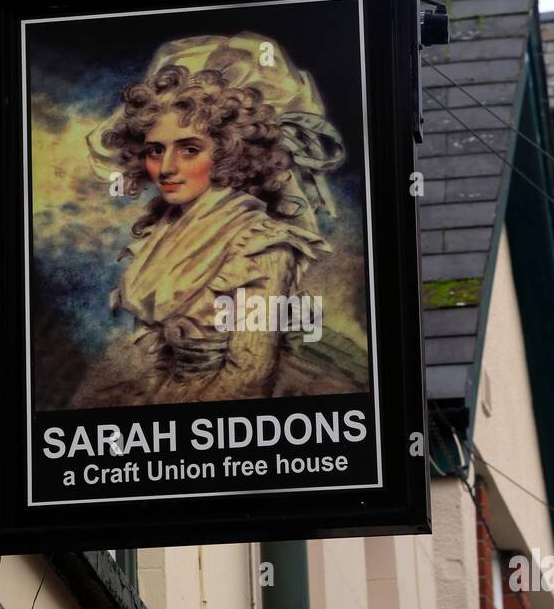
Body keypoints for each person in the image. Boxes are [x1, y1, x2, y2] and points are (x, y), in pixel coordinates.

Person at [69, 32, 368, 407]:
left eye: (189, 149)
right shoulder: (161, 233)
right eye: (155, 150)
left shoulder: (261, 245)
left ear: (229, 151)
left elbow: (248, 377)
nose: (166, 168)